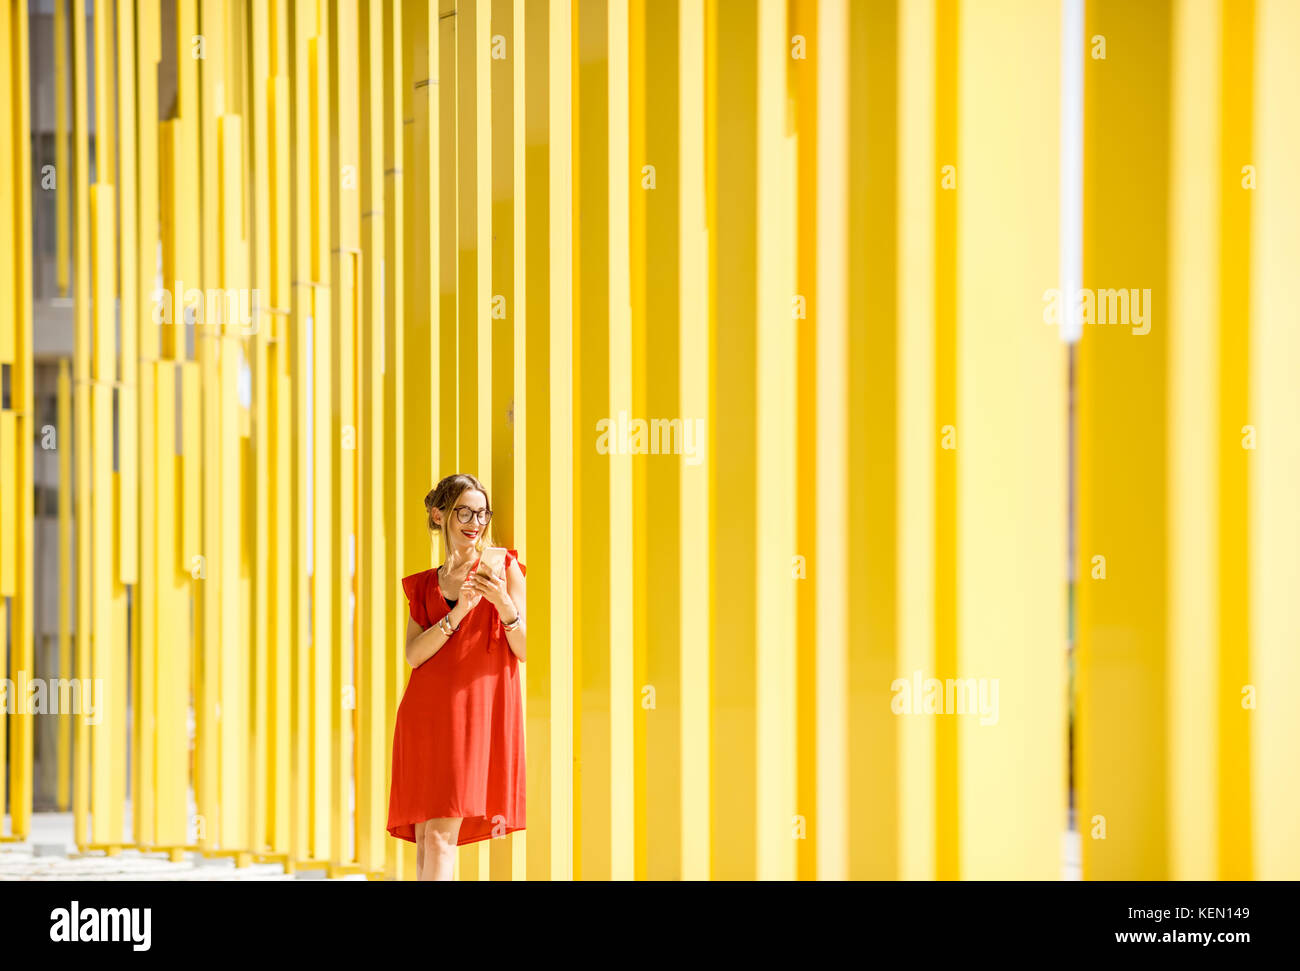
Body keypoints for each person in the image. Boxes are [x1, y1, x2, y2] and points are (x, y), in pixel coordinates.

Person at [386, 473, 527, 880]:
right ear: (439, 515)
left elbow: (524, 650)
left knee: (441, 838)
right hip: (425, 715)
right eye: (464, 511)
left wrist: (501, 602)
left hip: (474, 714)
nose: (475, 521)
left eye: (482, 512)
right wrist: (459, 612)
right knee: (426, 835)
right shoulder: (425, 584)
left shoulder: (505, 566)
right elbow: (414, 655)